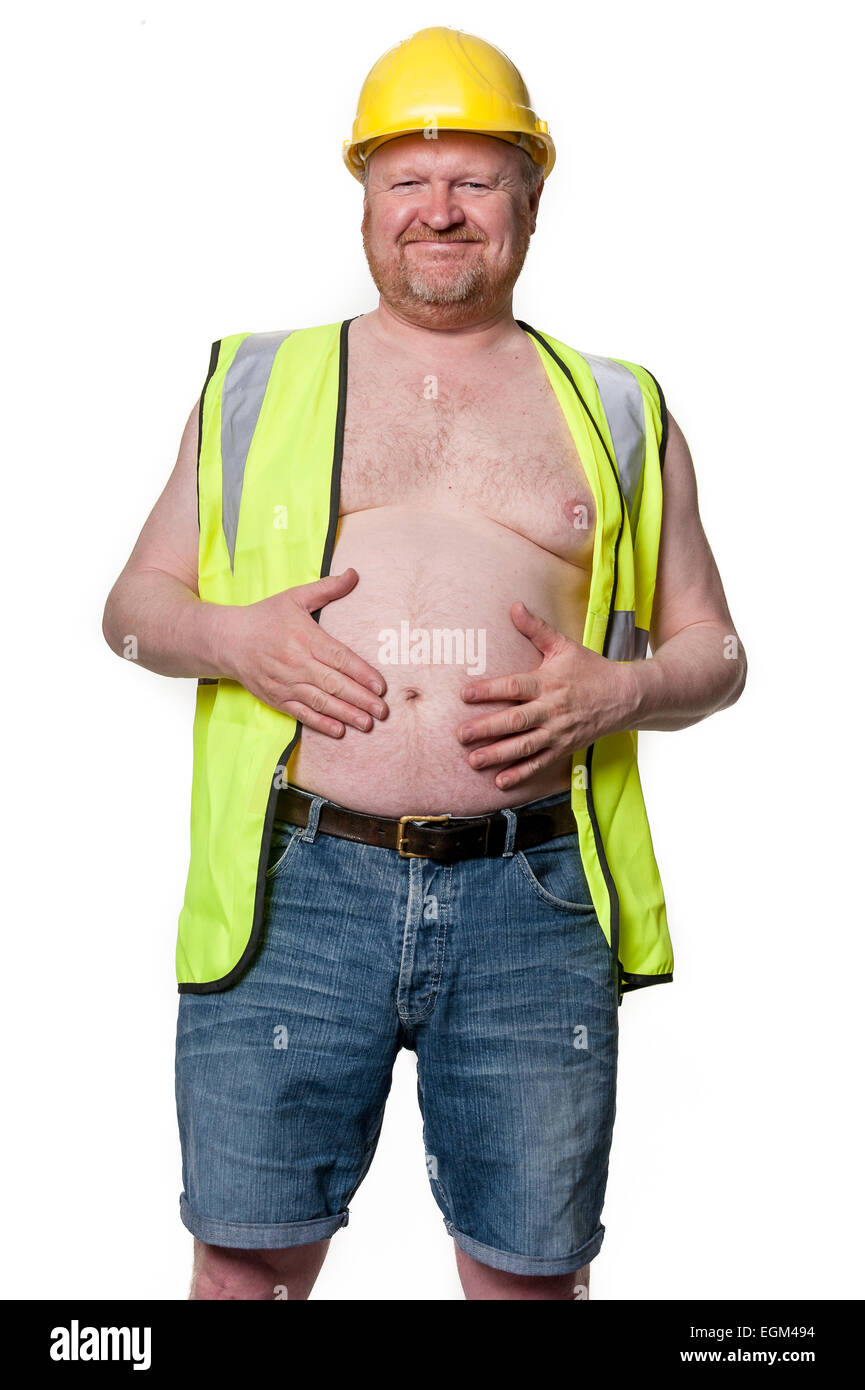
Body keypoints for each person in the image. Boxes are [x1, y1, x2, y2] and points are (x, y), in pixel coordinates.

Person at [103, 26, 746, 1301]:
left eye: (474, 180)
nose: (438, 211)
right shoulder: (254, 382)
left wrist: (621, 688)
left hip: (534, 900)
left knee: (525, 1281)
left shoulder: (621, 406)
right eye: (407, 179)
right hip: (296, 889)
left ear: (530, 200)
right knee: (247, 1274)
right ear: (364, 201)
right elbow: (131, 610)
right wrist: (233, 637)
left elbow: (715, 653)